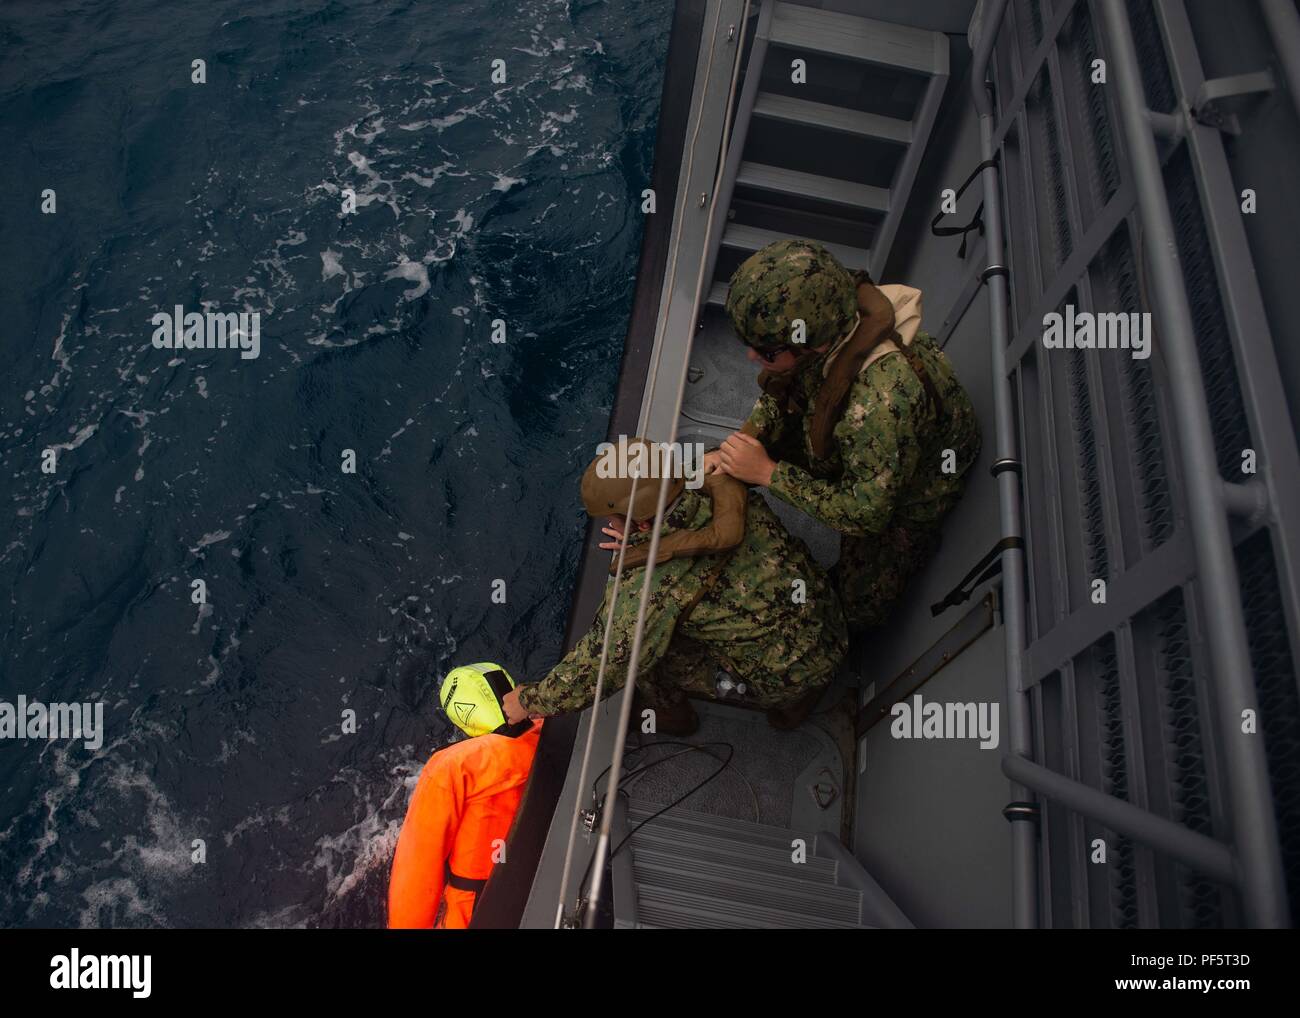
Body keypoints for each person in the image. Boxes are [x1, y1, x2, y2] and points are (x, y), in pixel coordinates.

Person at [712, 239, 982, 631]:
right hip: (877, 446)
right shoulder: (830, 315)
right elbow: (785, 394)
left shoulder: (878, 406)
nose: (754, 358)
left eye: (766, 351)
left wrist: (769, 474)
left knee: (853, 610)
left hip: (914, 490)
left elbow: (866, 515)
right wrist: (741, 446)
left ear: (812, 344)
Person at [501, 437, 848, 735]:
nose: (609, 522)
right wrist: (646, 534)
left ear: (637, 519)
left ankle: (673, 716)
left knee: (647, 654)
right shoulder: (723, 486)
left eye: (614, 516)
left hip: (786, 679)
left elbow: (603, 663)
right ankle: (799, 699)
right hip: (830, 621)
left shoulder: (651, 590)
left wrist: (530, 700)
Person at [388, 663, 541, 929]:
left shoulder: (454, 766)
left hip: (477, 910)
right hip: (545, 881)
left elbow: (418, 869)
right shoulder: (550, 730)